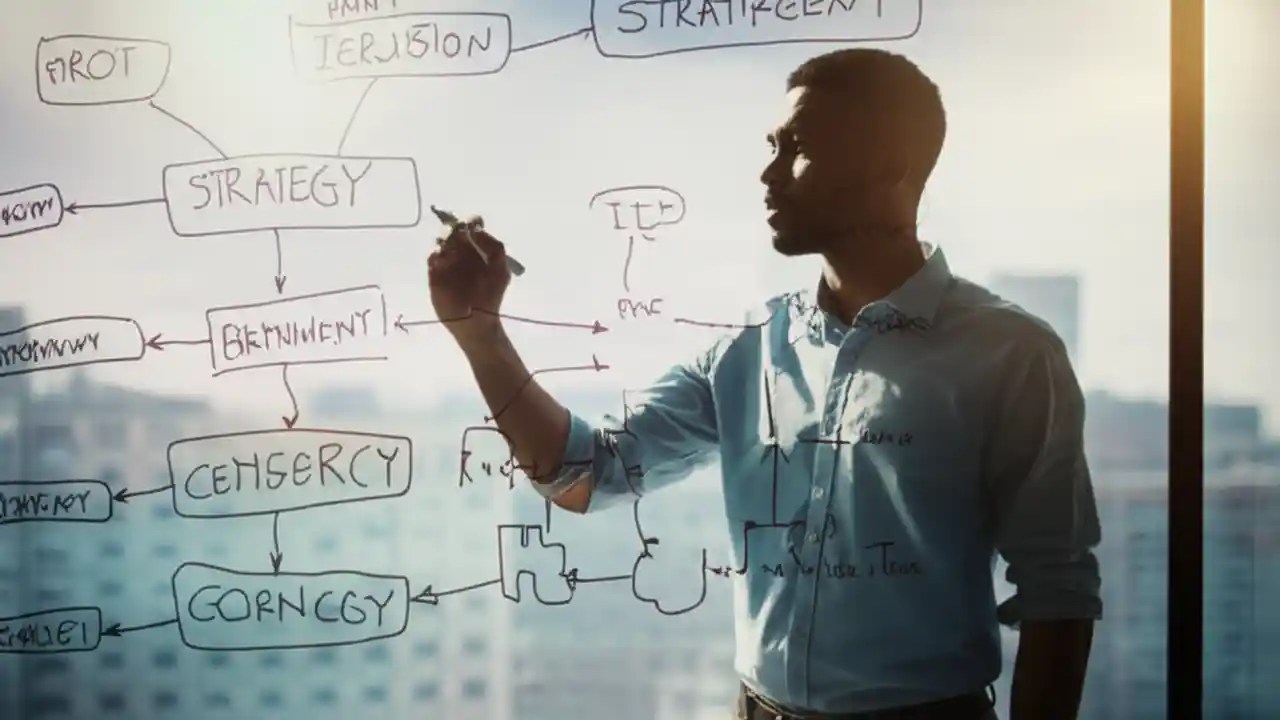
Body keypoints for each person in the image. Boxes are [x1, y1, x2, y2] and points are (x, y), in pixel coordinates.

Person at [428, 48, 1101, 720]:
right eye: (773, 147)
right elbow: (586, 476)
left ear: (891, 165)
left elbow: (1058, 591)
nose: (768, 174)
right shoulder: (745, 353)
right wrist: (481, 336)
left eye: (798, 148)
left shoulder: (1011, 355)